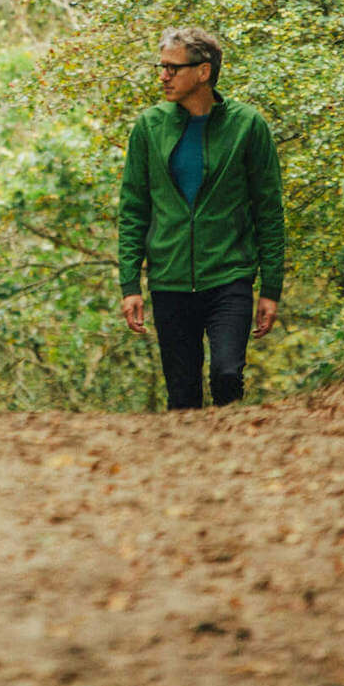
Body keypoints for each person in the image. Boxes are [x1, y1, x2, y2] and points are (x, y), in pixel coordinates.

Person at [117, 27, 285, 409]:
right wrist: (130, 284)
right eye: (161, 68)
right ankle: (189, 468)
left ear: (204, 72)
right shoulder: (149, 127)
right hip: (170, 280)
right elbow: (133, 209)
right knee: (182, 394)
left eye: (173, 69)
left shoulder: (248, 126)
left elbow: (269, 211)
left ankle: (235, 459)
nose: (163, 76)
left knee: (227, 376)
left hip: (229, 277)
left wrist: (271, 288)